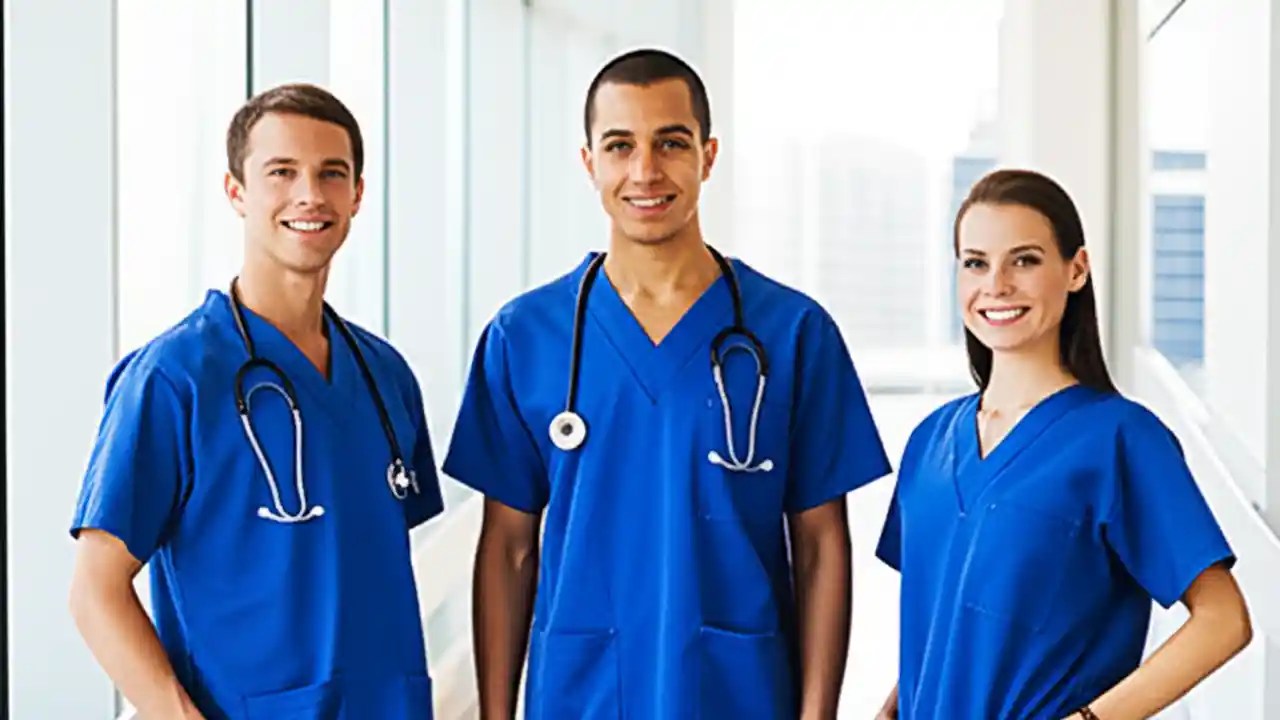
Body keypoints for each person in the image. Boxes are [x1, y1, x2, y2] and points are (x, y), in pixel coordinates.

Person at [443, 48, 891, 719]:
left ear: (708, 156)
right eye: (620, 146)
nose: (645, 171)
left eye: (671, 143)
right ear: (589, 161)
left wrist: (817, 715)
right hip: (580, 692)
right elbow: (507, 548)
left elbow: (823, 544)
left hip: (738, 692)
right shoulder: (525, 336)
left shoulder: (793, 333)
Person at [67, 83, 444, 719]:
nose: (310, 195)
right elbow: (94, 591)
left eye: (332, 174)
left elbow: (362, 563)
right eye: (282, 173)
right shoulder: (175, 376)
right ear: (236, 192)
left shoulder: (384, 374)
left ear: (357, 194)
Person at [874, 169, 1252, 720]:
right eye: (976, 262)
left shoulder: (1120, 439)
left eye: (1024, 260)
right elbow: (949, 628)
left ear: (1076, 269)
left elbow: (1224, 621)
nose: (997, 284)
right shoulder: (930, 441)